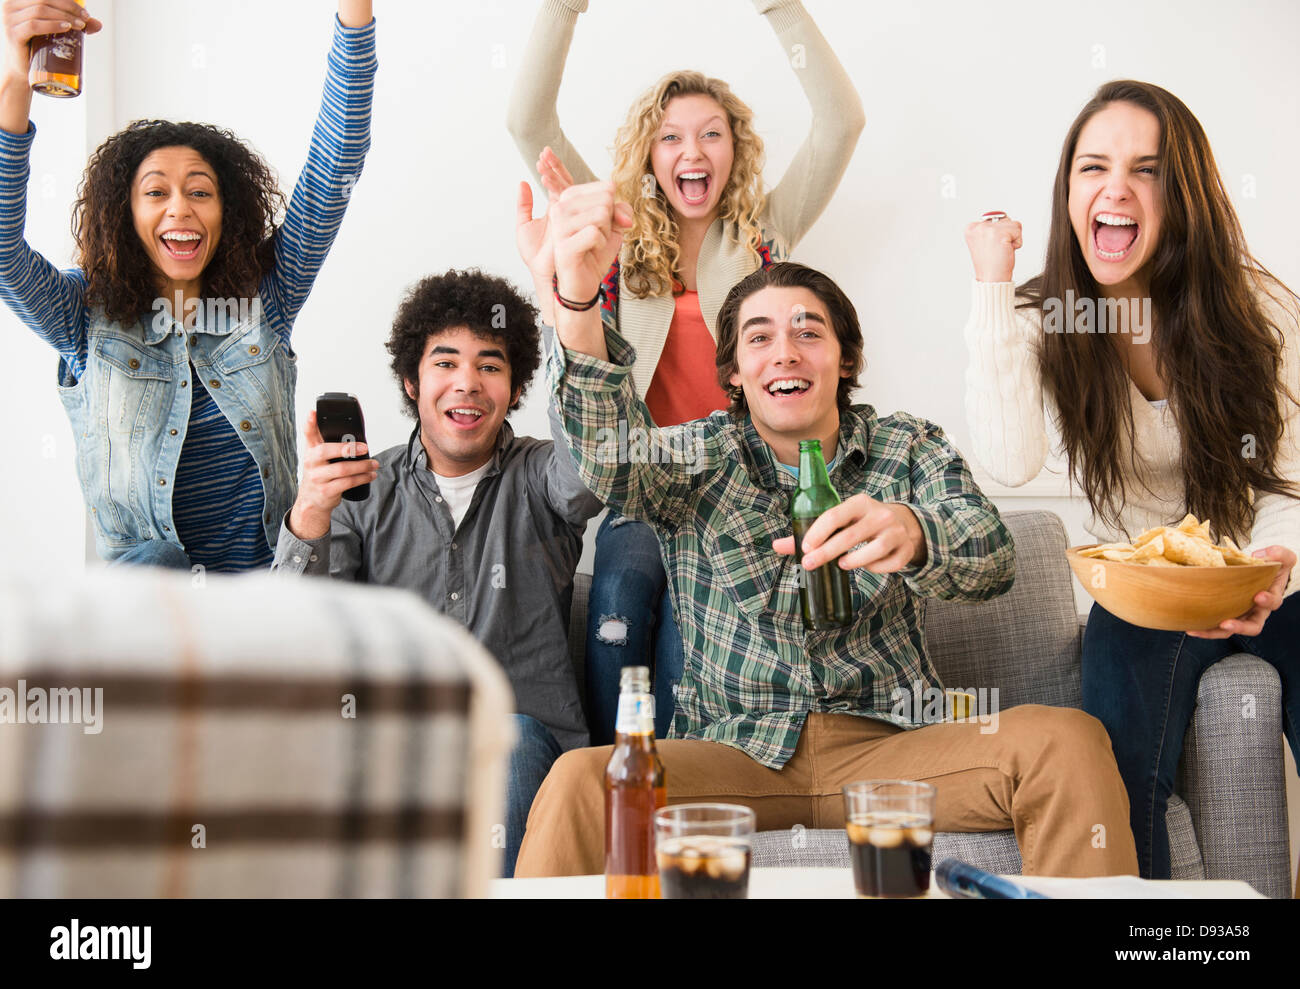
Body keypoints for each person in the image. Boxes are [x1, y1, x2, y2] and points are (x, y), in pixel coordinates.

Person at [513, 172, 1139, 877]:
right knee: (575, 782)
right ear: (737, 373)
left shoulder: (908, 446)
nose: (785, 351)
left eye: (809, 332)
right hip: (734, 754)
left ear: (845, 361)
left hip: (892, 748)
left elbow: (993, 555)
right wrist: (576, 298)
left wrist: (917, 532)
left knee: (1067, 738)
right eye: (760, 338)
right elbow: (605, 462)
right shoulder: (695, 454)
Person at [962, 79, 1299, 880]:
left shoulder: (1257, 311)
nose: (1116, 188)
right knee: (1116, 765)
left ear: (1181, 194)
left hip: (1264, 571)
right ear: (1068, 192)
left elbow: (1289, 484)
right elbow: (1009, 462)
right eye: (1093, 168)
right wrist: (991, 290)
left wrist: (1273, 573)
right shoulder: (1044, 320)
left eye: (1146, 170)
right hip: (1146, 589)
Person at [508, 0, 864, 742]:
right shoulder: (613, 224)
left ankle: (678, 788)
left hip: (736, 489)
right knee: (616, 604)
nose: (691, 150)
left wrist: (779, 8)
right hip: (646, 480)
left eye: (710, 133)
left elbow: (841, 123)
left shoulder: (767, 228)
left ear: (734, 150)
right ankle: (612, 775)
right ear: (649, 153)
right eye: (670, 137)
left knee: (683, 643)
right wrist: (564, 8)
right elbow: (528, 123)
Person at [0, 0, 376, 571]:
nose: (181, 208)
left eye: (200, 191)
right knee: (159, 562)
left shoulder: (265, 300)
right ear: (123, 216)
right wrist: (12, 83)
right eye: (156, 193)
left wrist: (355, 14)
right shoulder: (82, 316)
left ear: (229, 213)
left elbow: (337, 162)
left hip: (265, 599)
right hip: (149, 616)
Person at [271, 269, 603, 878]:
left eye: (490, 365)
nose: (467, 384)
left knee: (512, 737)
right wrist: (312, 511)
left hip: (528, 753)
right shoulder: (362, 489)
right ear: (411, 381)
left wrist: (573, 308)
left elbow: (591, 473)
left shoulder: (541, 475)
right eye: (445, 363)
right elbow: (295, 631)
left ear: (516, 386)